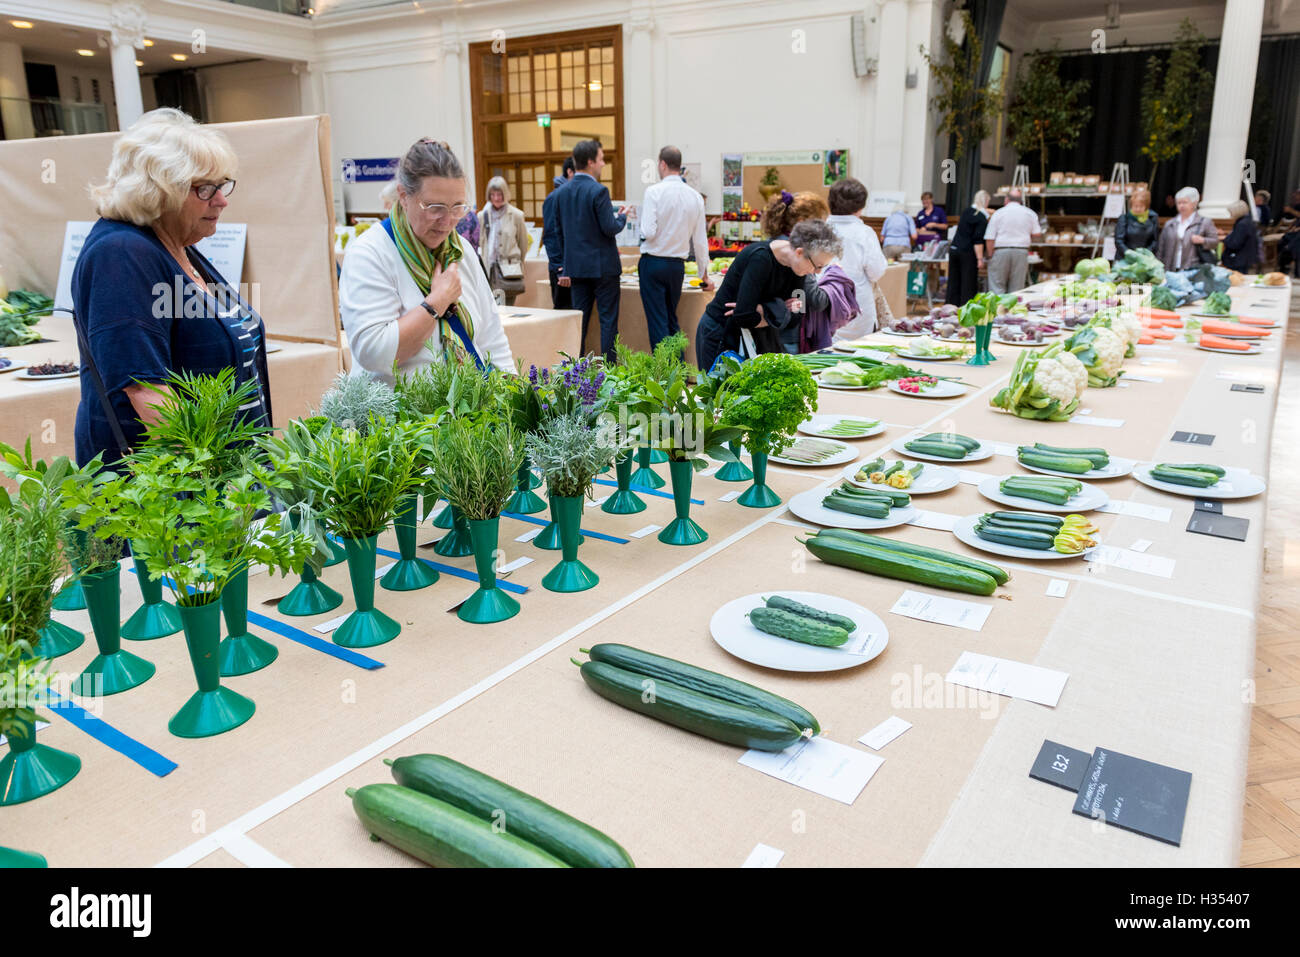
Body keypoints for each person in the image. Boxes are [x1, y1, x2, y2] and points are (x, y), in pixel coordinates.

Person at [72, 108, 270, 467]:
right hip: (175, 495)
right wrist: (216, 481)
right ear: (159, 189)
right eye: (205, 188)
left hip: (226, 480)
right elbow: (146, 391)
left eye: (222, 185)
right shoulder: (119, 255)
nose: (222, 200)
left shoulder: (178, 246)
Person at [339, 137, 513, 386]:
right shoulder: (370, 253)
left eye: (457, 207)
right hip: (397, 420)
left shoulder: (460, 250)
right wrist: (437, 302)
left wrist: (512, 396)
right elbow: (373, 353)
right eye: (435, 207)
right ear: (403, 195)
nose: (448, 220)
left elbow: (492, 339)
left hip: (466, 416)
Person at [694, 233, 820, 372]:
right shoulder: (761, 258)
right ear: (799, 252)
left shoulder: (799, 271)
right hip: (721, 333)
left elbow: (797, 316)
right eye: (816, 265)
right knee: (716, 390)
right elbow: (744, 316)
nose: (816, 271)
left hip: (757, 340)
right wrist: (777, 312)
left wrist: (764, 310)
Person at [552, 138, 627, 362]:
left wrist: (563, 266)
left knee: (579, 323)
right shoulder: (599, 191)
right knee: (608, 322)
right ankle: (610, 374)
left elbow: (558, 233)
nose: (603, 164)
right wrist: (622, 216)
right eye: (602, 159)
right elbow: (609, 228)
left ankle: (575, 370)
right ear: (591, 162)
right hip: (604, 267)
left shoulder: (562, 193)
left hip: (576, 268)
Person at [637, 145, 712, 351]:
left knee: (657, 322)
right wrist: (703, 274)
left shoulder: (653, 192)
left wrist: (642, 232)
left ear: (662, 164)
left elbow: (648, 231)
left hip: (653, 262)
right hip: (677, 267)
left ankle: (664, 375)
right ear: (679, 166)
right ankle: (677, 370)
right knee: (671, 319)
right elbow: (700, 241)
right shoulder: (695, 196)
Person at [824, 177, 887, 335]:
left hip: (824, 302)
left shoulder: (820, 229)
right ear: (860, 206)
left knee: (825, 352)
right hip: (857, 304)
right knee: (858, 353)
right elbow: (876, 271)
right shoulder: (864, 233)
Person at [790, 221, 856, 353]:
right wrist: (834, 277)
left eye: (822, 267)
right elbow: (816, 300)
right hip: (790, 337)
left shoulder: (804, 261)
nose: (818, 272)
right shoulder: (803, 267)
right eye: (818, 266)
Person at [477, 176, 531, 306]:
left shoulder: (517, 215)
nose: (496, 198)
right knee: (490, 309)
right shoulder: (482, 215)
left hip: (508, 271)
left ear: (505, 194)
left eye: (499, 194)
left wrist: (517, 263)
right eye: (493, 194)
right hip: (488, 271)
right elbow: (481, 242)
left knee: (507, 309)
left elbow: (523, 244)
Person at [983, 188, 1042, 294]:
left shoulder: (998, 213)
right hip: (1021, 251)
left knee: (997, 285)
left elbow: (990, 237)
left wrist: (990, 254)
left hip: (1000, 251)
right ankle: (1013, 309)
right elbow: (1037, 233)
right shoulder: (1029, 213)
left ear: (1006, 199)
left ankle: (997, 309)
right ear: (1020, 201)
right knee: (1017, 287)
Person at [1155, 186, 1219, 270]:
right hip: (1169, 269)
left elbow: (1215, 241)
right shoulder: (1170, 224)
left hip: (1192, 269)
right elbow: (1161, 248)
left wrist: (1202, 240)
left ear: (1194, 203)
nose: (1181, 206)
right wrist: (1158, 267)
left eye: (1185, 202)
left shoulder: (1204, 222)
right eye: (1179, 203)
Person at [542, 155, 576, 309]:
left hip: (575, 269)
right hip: (562, 270)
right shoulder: (554, 198)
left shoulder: (573, 195)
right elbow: (551, 235)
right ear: (570, 172)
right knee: (564, 315)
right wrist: (561, 268)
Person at [945, 189, 990, 307]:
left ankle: (950, 308)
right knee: (968, 283)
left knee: (953, 282)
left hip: (954, 249)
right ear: (985, 202)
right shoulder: (981, 218)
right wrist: (980, 259)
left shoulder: (966, 212)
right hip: (967, 253)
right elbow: (978, 240)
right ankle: (966, 308)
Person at [1113, 187, 1159, 258]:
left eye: (1141, 206)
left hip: (1145, 257)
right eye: (1135, 206)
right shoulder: (1124, 218)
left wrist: (1146, 253)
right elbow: (1119, 241)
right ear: (1131, 206)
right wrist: (1129, 253)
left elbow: (1155, 240)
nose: (1138, 209)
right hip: (1125, 257)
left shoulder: (1152, 218)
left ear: (1146, 207)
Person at [1221, 200, 1260, 272]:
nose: (1230, 214)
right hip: (1245, 258)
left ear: (1237, 212)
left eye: (1231, 212)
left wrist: (1225, 239)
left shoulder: (1242, 224)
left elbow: (1235, 243)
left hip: (1240, 259)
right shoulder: (1247, 221)